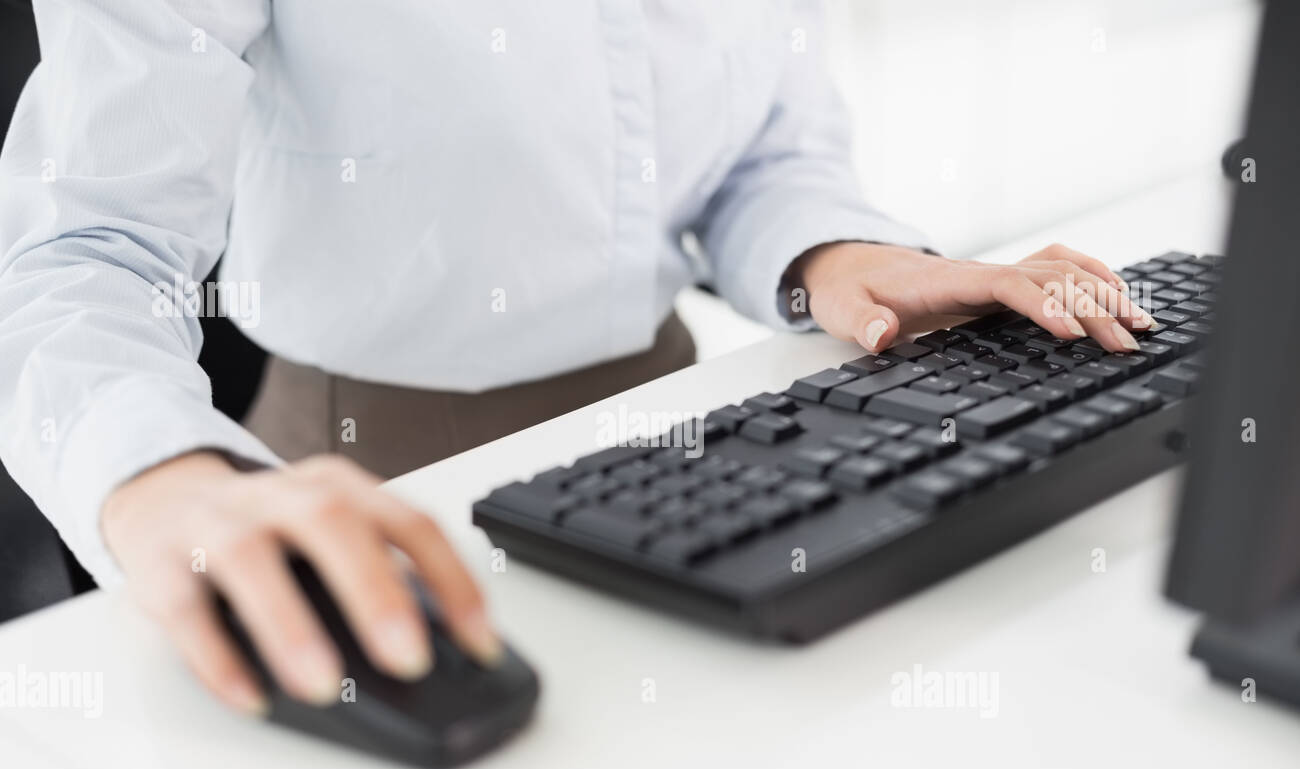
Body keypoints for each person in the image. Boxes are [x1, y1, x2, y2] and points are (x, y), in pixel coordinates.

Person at [0, 1, 1150, 715]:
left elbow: (759, 147)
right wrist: (162, 479)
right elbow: (84, 237)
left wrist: (836, 252)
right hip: (373, 454)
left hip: (674, 413)